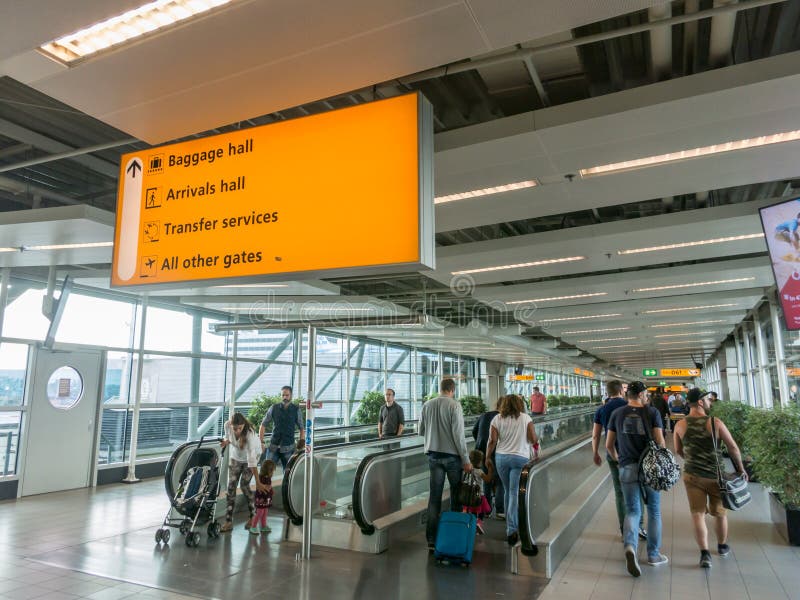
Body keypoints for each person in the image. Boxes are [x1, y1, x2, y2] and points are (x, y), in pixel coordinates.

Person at [673, 388, 748, 569]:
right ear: (700, 402)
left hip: (692, 476)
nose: (709, 402)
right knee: (720, 514)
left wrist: (692, 461)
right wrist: (741, 468)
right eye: (707, 399)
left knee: (697, 514)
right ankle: (722, 546)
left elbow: (678, 450)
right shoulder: (715, 422)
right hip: (716, 477)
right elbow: (733, 448)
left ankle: (705, 554)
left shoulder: (680, 425)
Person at [606, 381, 668, 577]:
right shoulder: (652, 413)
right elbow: (660, 442)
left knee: (632, 510)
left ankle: (630, 547)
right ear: (641, 394)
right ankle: (653, 555)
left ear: (628, 395)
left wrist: (618, 460)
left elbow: (608, 444)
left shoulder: (617, 414)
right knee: (654, 510)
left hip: (626, 467)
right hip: (649, 468)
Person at [419, 378, 472, 551]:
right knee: (455, 496)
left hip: (433, 456)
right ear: (452, 390)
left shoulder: (427, 405)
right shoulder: (454, 406)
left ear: (441, 389)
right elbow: (458, 436)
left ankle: (431, 539)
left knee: (434, 498)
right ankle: (453, 536)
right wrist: (465, 460)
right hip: (452, 458)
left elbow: (421, 431)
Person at [591, 380, 646, 541]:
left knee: (620, 493)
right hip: (633, 454)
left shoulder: (601, 410)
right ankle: (639, 526)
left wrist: (595, 452)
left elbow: (595, 434)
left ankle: (624, 529)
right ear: (621, 391)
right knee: (637, 490)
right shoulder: (629, 406)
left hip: (612, 454)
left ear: (607, 393)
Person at [486, 394, 539, 550]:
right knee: (514, 492)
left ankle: (511, 527)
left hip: (501, 458)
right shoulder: (525, 418)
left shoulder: (497, 419)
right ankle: (512, 530)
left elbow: (492, 441)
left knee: (509, 491)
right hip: (519, 458)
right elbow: (533, 438)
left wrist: (487, 457)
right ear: (519, 404)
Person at [220, 412, 266, 532]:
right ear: (231, 424)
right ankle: (228, 521)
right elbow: (228, 437)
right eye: (235, 428)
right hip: (236, 457)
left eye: (240, 428)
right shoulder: (227, 425)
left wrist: (258, 481)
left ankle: (253, 516)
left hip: (252, 457)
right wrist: (226, 441)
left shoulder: (250, 434)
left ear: (243, 425)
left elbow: (251, 461)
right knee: (231, 487)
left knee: (244, 486)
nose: (237, 431)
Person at [259, 386, 304, 471]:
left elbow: (301, 428)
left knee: (288, 474)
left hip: (289, 448)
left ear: (291, 395)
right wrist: (261, 442)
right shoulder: (273, 408)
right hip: (273, 447)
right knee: (265, 473)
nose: (285, 397)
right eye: (283, 395)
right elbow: (263, 424)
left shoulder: (296, 410)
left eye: (287, 395)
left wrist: (301, 445)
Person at [472, 400, 503, 518]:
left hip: (481, 450)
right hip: (496, 450)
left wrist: (479, 442)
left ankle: (487, 510)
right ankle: (500, 510)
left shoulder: (484, 415)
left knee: (486, 480)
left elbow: (474, 431)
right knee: (500, 481)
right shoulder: (501, 417)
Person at [462, 449, 493, 535]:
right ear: (479, 462)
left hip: (468, 496)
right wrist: (490, 469)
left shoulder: (468, 470)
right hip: (478, 496)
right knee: (480, 512)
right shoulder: (479, 471)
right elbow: (488, 479)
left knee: (471, 511)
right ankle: (477, 524)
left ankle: (470, 524)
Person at [250, 460, 275, 534]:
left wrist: (271, 490)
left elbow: (269, 486)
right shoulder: (261, 478)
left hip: (266, 498)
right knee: (259, 513)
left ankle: (263, 526)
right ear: (268, 470)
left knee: (265, 512)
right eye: (272, 471)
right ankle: (253, 527)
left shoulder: (268, 477)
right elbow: (260, 488)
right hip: (261, 499)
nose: (273, 473)